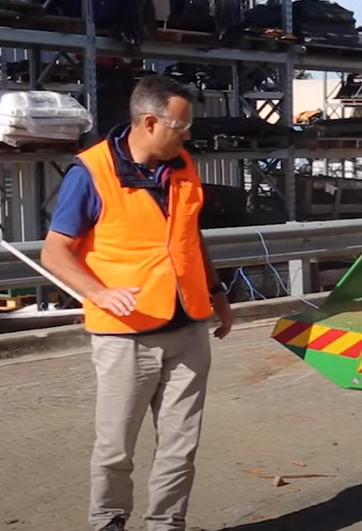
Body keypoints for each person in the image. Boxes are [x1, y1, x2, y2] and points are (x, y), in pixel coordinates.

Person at [40, 74, 234, 531]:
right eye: (181, 126)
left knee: (180, 443)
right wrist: (101, 292)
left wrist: (218, 292)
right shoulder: (92, 172)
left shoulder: (184, 164)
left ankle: (167, 523)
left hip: (188, 328)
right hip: (126, 336)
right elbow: (54, 250)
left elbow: (190, 237)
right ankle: (109, 521)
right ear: (150, 122)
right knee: (115, 446)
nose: (188, 134)